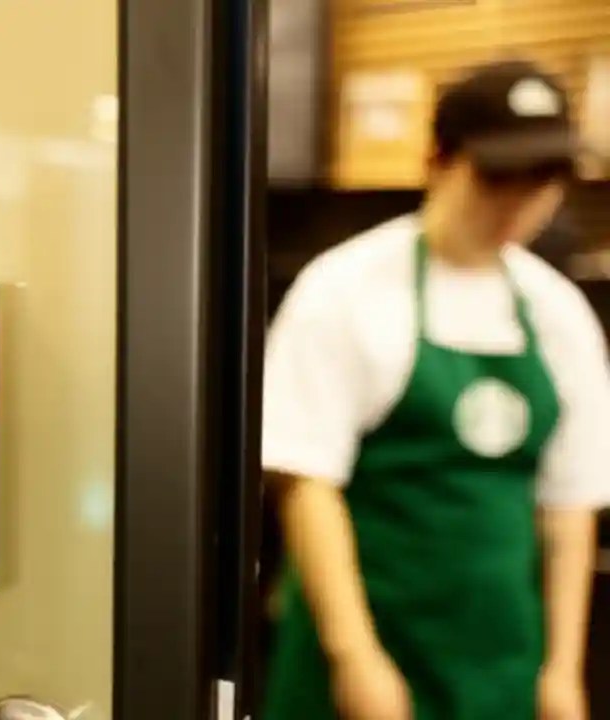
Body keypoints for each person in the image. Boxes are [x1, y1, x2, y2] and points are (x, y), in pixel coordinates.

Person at [262, 59, 609, 720]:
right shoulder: (345, 290)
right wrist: (355, 657)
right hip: (366, 652)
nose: (520, 202)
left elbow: (570, 509)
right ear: (438, 162)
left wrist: (563, 672)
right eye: (497, 177)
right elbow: (308, 485)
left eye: (543, 180)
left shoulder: (558, 312)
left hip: (500, 657)